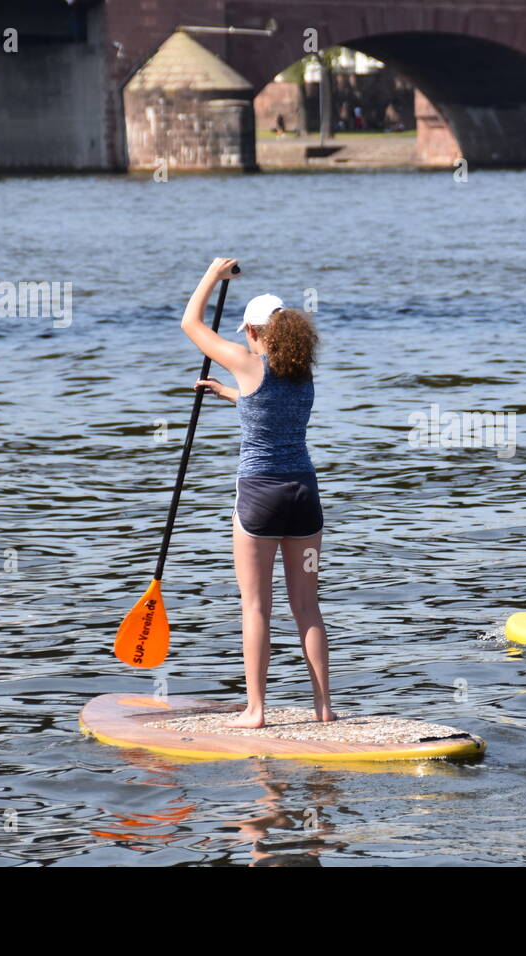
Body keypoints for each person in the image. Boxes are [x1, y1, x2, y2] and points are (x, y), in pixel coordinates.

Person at [180, 258, 333, 728]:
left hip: (260, 501)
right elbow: (271, 407)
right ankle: (325, 709)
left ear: (251, 330)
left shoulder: (246, 360)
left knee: (256, 605)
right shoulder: (302, 373)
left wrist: (212, 274)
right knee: (307, 606)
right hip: (304, 499)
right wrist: (230, 394)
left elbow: (190, 323)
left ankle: (256, 711)